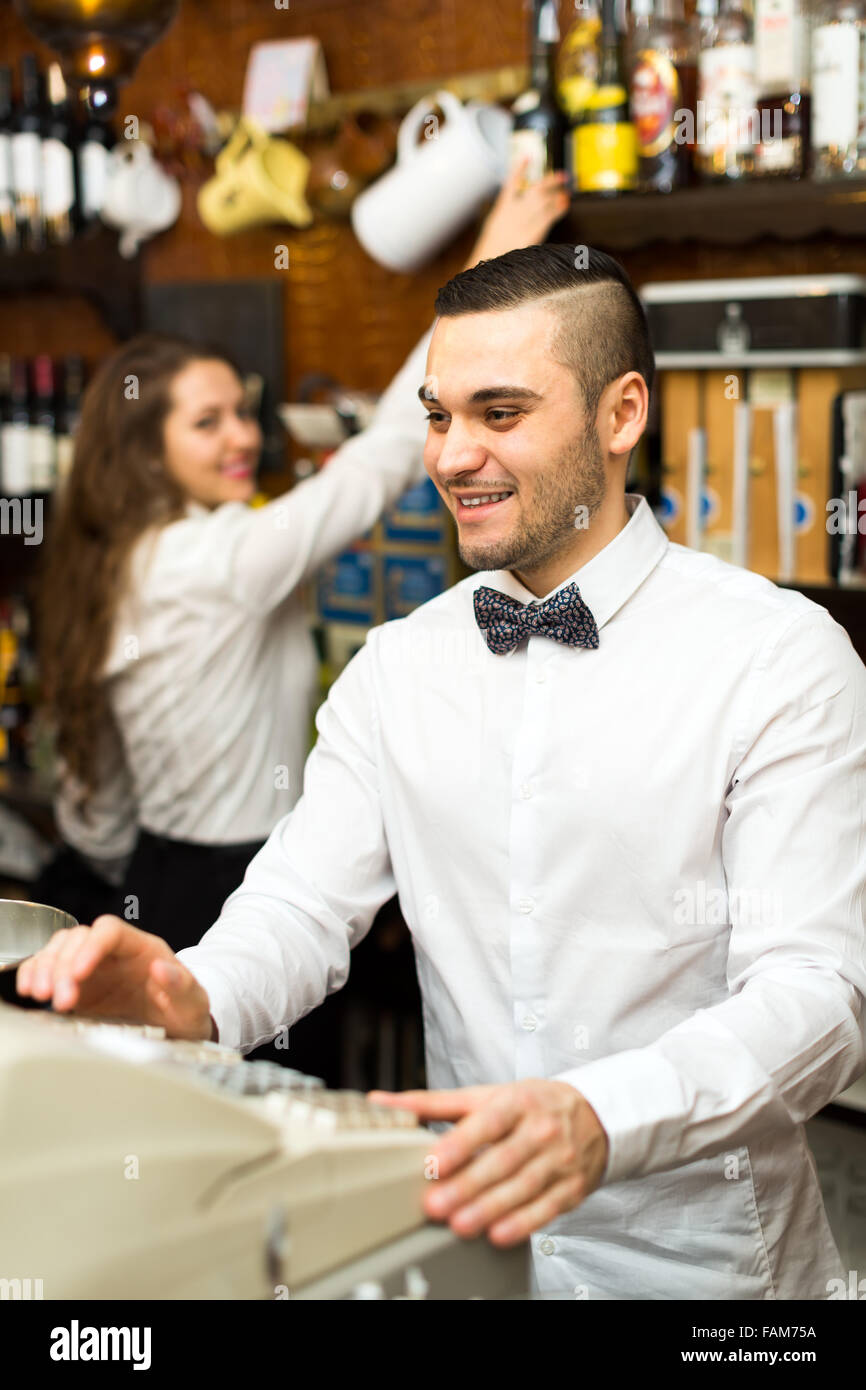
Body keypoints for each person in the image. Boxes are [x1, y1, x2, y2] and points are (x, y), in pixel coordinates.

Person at [18, 243, 866, 1301]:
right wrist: (187, 990)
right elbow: (295, 906)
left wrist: (602, 1114)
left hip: (709, 1279)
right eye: (434, 414)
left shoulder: (777, 656)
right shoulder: (394, 668)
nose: (448, 454)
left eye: (498, 413)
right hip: (468, 1254)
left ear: (620, 415)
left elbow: (814, 995)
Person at [31, 158, 571, 950]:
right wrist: (485, 269)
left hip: (157, 878)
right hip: (236, 885)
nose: (244, 435)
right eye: (208, 422)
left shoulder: (125, 556)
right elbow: (387, 452)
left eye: (242, 412)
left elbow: (99, 811)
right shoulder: (222, 558)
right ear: (149, 454)